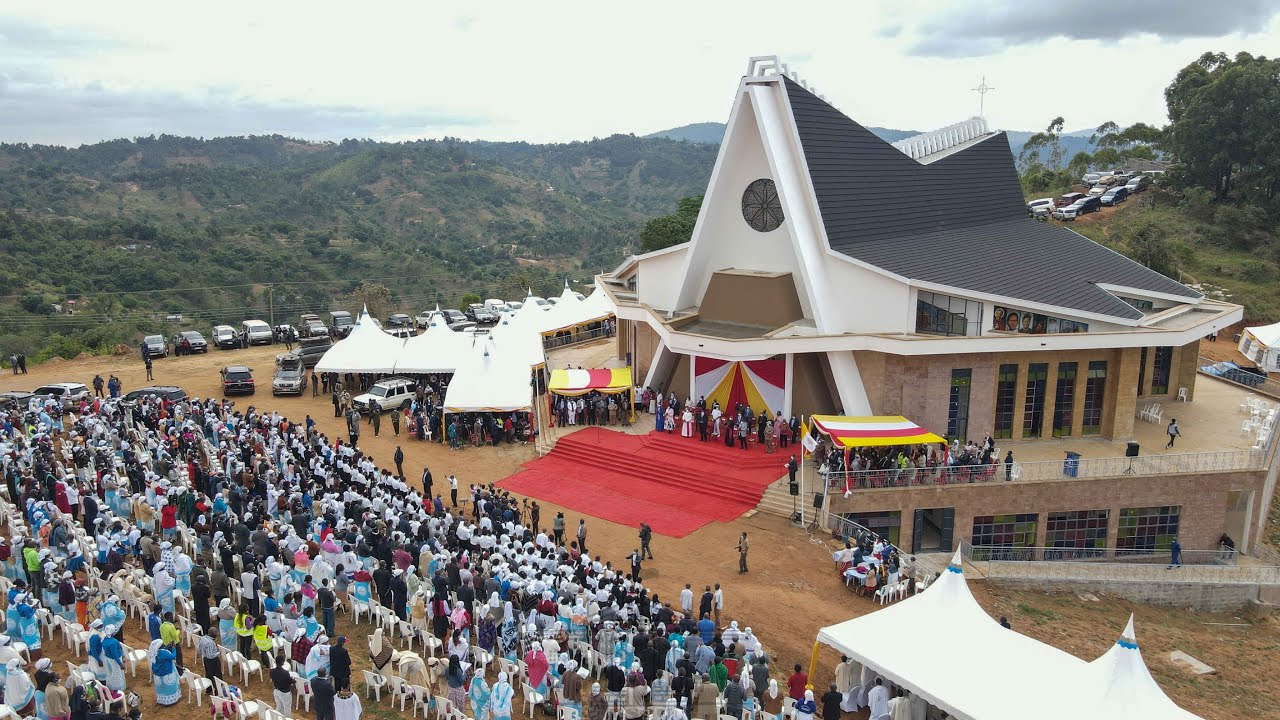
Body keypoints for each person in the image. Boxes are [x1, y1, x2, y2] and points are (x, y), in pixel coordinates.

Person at [149, 639, 181, 706]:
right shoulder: (164, 653)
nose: (163, 644)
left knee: (162, 688)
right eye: (162, 644)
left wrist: (166, 647)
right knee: (169, 687)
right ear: (159, 646)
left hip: (158, 674)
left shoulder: (154, 652)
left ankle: (162, 700)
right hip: (166, 672)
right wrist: (174, 649)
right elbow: (172, 657)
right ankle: (171, 700)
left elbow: (163, 652)